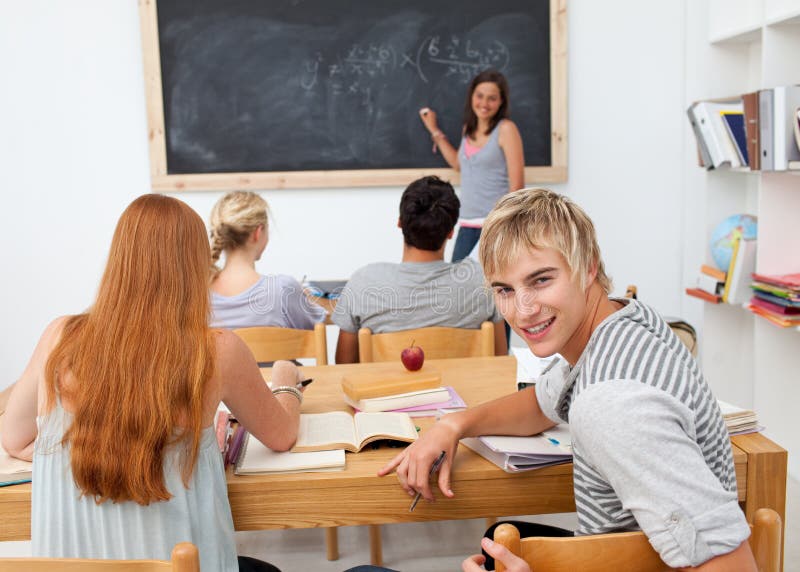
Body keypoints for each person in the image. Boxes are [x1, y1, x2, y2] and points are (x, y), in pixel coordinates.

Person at [379, 189, 757, 571]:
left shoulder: (612, 406)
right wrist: (453, 424)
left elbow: (732, 565)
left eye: (541, 280)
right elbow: (540, 403)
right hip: (618, 557)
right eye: (505, 289)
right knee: (498, 538)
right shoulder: (622, 322)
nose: (523, 310)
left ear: (588, 267)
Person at [2, 195, 304, 572]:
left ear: (119, 259)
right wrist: (286, 382)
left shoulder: (58, 337)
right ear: (196, 267)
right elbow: (281, 436)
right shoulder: (216, 351)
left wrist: (97, 444)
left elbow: (14, 439)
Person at [332, 175, 506, 363]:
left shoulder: (364, 282)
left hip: (386, 384)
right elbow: (500, 362)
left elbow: (344, 367)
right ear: (450, 232)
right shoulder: (482, 281)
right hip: (462, 384)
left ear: (400, 223)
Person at [418, 69, 524, 262]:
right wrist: (434, 130)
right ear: (472, 96)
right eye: (480, 96)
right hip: (467, 225)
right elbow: (459, 164)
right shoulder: (468, 129)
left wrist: (503, 226)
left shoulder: (506, 129)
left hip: (494, 225)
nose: (484, 103)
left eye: (492, 98)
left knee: (492, 281)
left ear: (501, 101)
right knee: (458, 279)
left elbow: (517, 187)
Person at [209, 190, 325, 330]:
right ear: (258, 233)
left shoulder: (196, 294)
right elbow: (317, 330)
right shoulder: (283, 290)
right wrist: (300, 296)